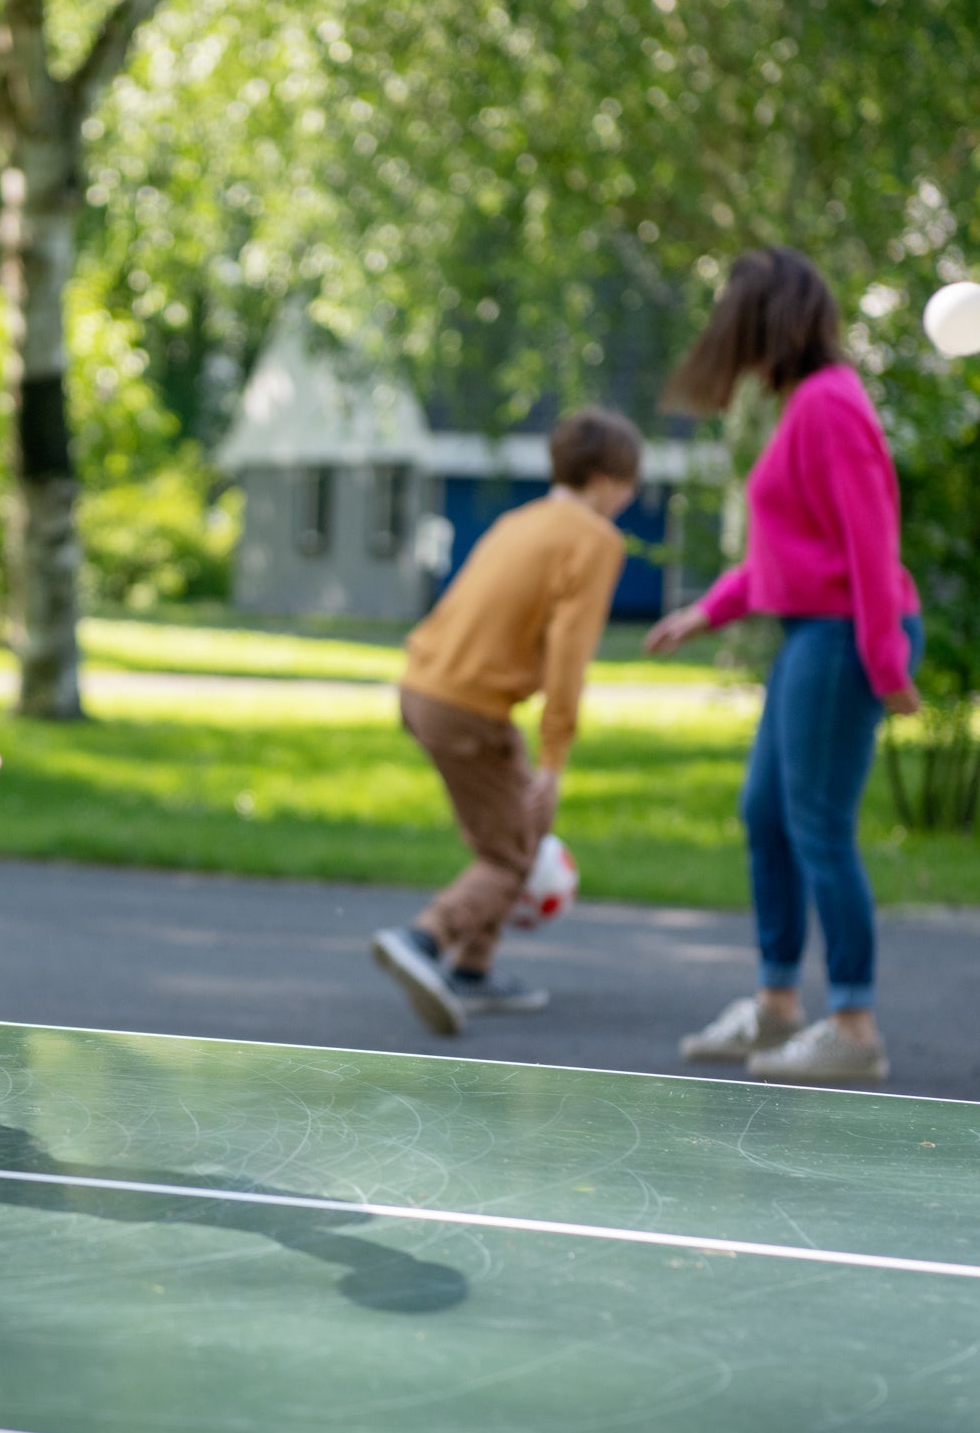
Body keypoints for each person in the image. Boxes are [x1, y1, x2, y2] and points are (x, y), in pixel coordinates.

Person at [642, 246, 923, 1086]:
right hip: (815, 631)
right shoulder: (808, 404)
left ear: (768, 322)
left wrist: (884, 660)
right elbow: (790, 554)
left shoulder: (830, 405)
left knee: (817, 827)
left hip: (843, 639)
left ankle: (855, 1023)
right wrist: (707, 610)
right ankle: (776, 1008)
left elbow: (870, 545)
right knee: (766, 813)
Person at [373, 407, 641, 1036]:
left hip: (423, 687)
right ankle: (426, 938)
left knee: (520, 824)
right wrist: (555, 757)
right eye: (630, 483)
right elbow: (569, 655)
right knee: (512, 854)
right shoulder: (596, 539)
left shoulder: (522, 520)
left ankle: (474, 967)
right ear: (607, 480)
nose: (630, 497)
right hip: (468, 705)